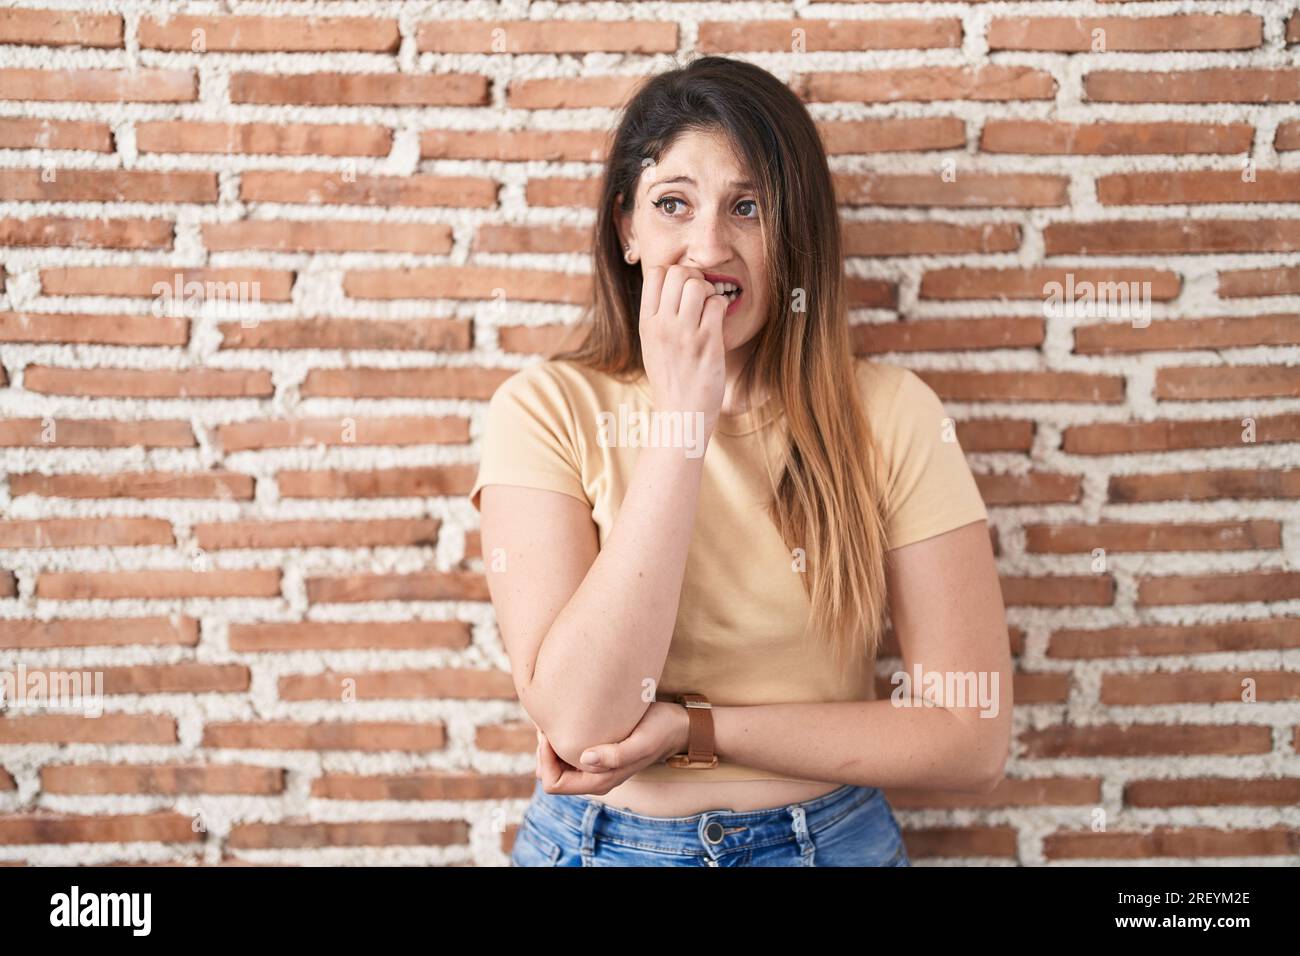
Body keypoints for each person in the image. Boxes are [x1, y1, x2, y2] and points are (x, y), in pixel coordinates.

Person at [471, 55, 1012, 867]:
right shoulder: (544, 410)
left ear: (793, 234)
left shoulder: (893, 415)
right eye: (673, 205)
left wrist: (696, 730)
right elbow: (583, 727)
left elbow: (969, 740)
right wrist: (684, 416)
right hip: (599, 848)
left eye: (748, 207)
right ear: (627, 227)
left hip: (829, 844)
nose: (708, 247)